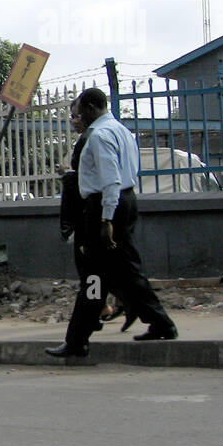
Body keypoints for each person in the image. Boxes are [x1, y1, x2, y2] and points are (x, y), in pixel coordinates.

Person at [48, 88, 177, 358]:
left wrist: (106, 219)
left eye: (80, 110)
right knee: (128, 270)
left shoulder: (99, 136)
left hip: (107, 207)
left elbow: (111, 179)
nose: (77, 116)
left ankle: (77, 340)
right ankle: (162, 323)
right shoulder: (121, 130)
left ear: (92, 108)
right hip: (125, 201)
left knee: (94, 275)